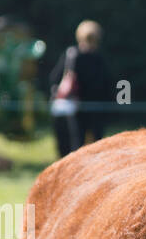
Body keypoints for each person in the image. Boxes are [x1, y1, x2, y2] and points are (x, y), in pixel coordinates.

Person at [49, 20, 114, 158]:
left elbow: (54, 78)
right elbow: (107, 83)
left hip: (75, 107)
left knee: (76, 146)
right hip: (93, 108)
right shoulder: (98, 58)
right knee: (96, 145)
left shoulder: (72, 54)